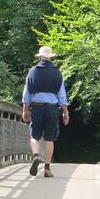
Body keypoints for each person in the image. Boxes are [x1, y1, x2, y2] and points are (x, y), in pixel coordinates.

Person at [21, 46, 69, 178]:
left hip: (37, 107)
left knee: (34, 136)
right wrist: (65, 112)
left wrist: (25, 110)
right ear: (51, 57)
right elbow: (62, 96)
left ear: (40, 57)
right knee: (50, 138)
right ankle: (47, 169)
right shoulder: (57, 73)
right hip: (52, 108)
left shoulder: (32, 72)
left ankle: (36, 155)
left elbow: (27, 94)